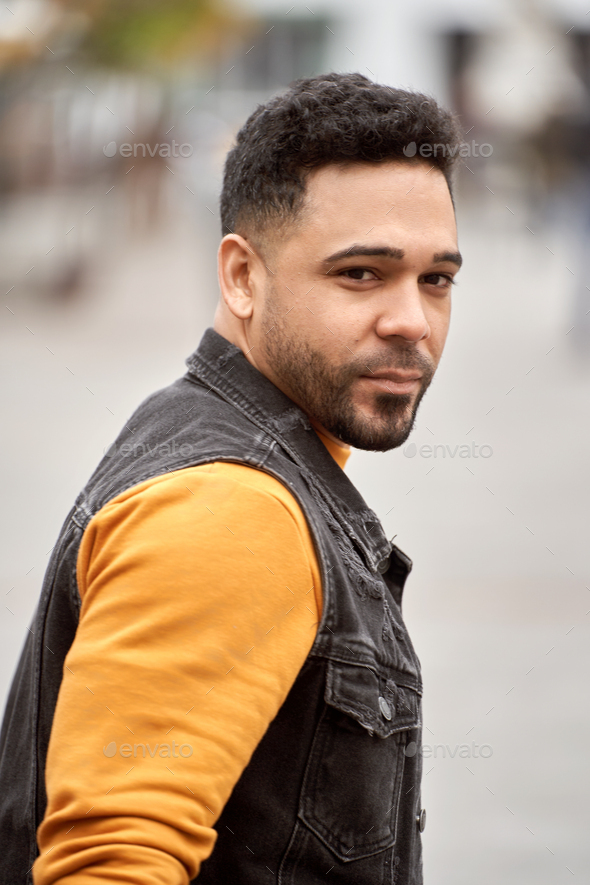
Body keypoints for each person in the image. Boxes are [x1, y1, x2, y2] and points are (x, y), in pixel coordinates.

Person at [0, 71, 463, 884]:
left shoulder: (206, 428)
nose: (411, 321)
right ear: (243, 277)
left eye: (437, 279)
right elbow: (111, 861)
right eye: (361, 273)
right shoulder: (228, 506)